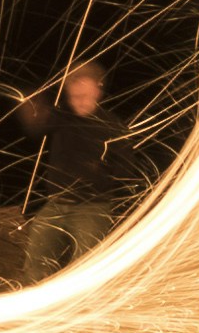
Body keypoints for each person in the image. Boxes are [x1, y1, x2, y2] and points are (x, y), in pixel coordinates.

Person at [14, 59, 123, 281]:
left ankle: (81, 307)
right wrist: (31, 105)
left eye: (85, 96)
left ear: (97, 90)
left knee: (85, 265)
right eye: (74, 97)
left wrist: (97, 172)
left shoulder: (112, 126)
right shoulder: (62, 118)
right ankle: (37, 303)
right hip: (57, 203)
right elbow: (37, 125)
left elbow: (124, 168)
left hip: (93, 207)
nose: (80, 102)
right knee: (36, 257)